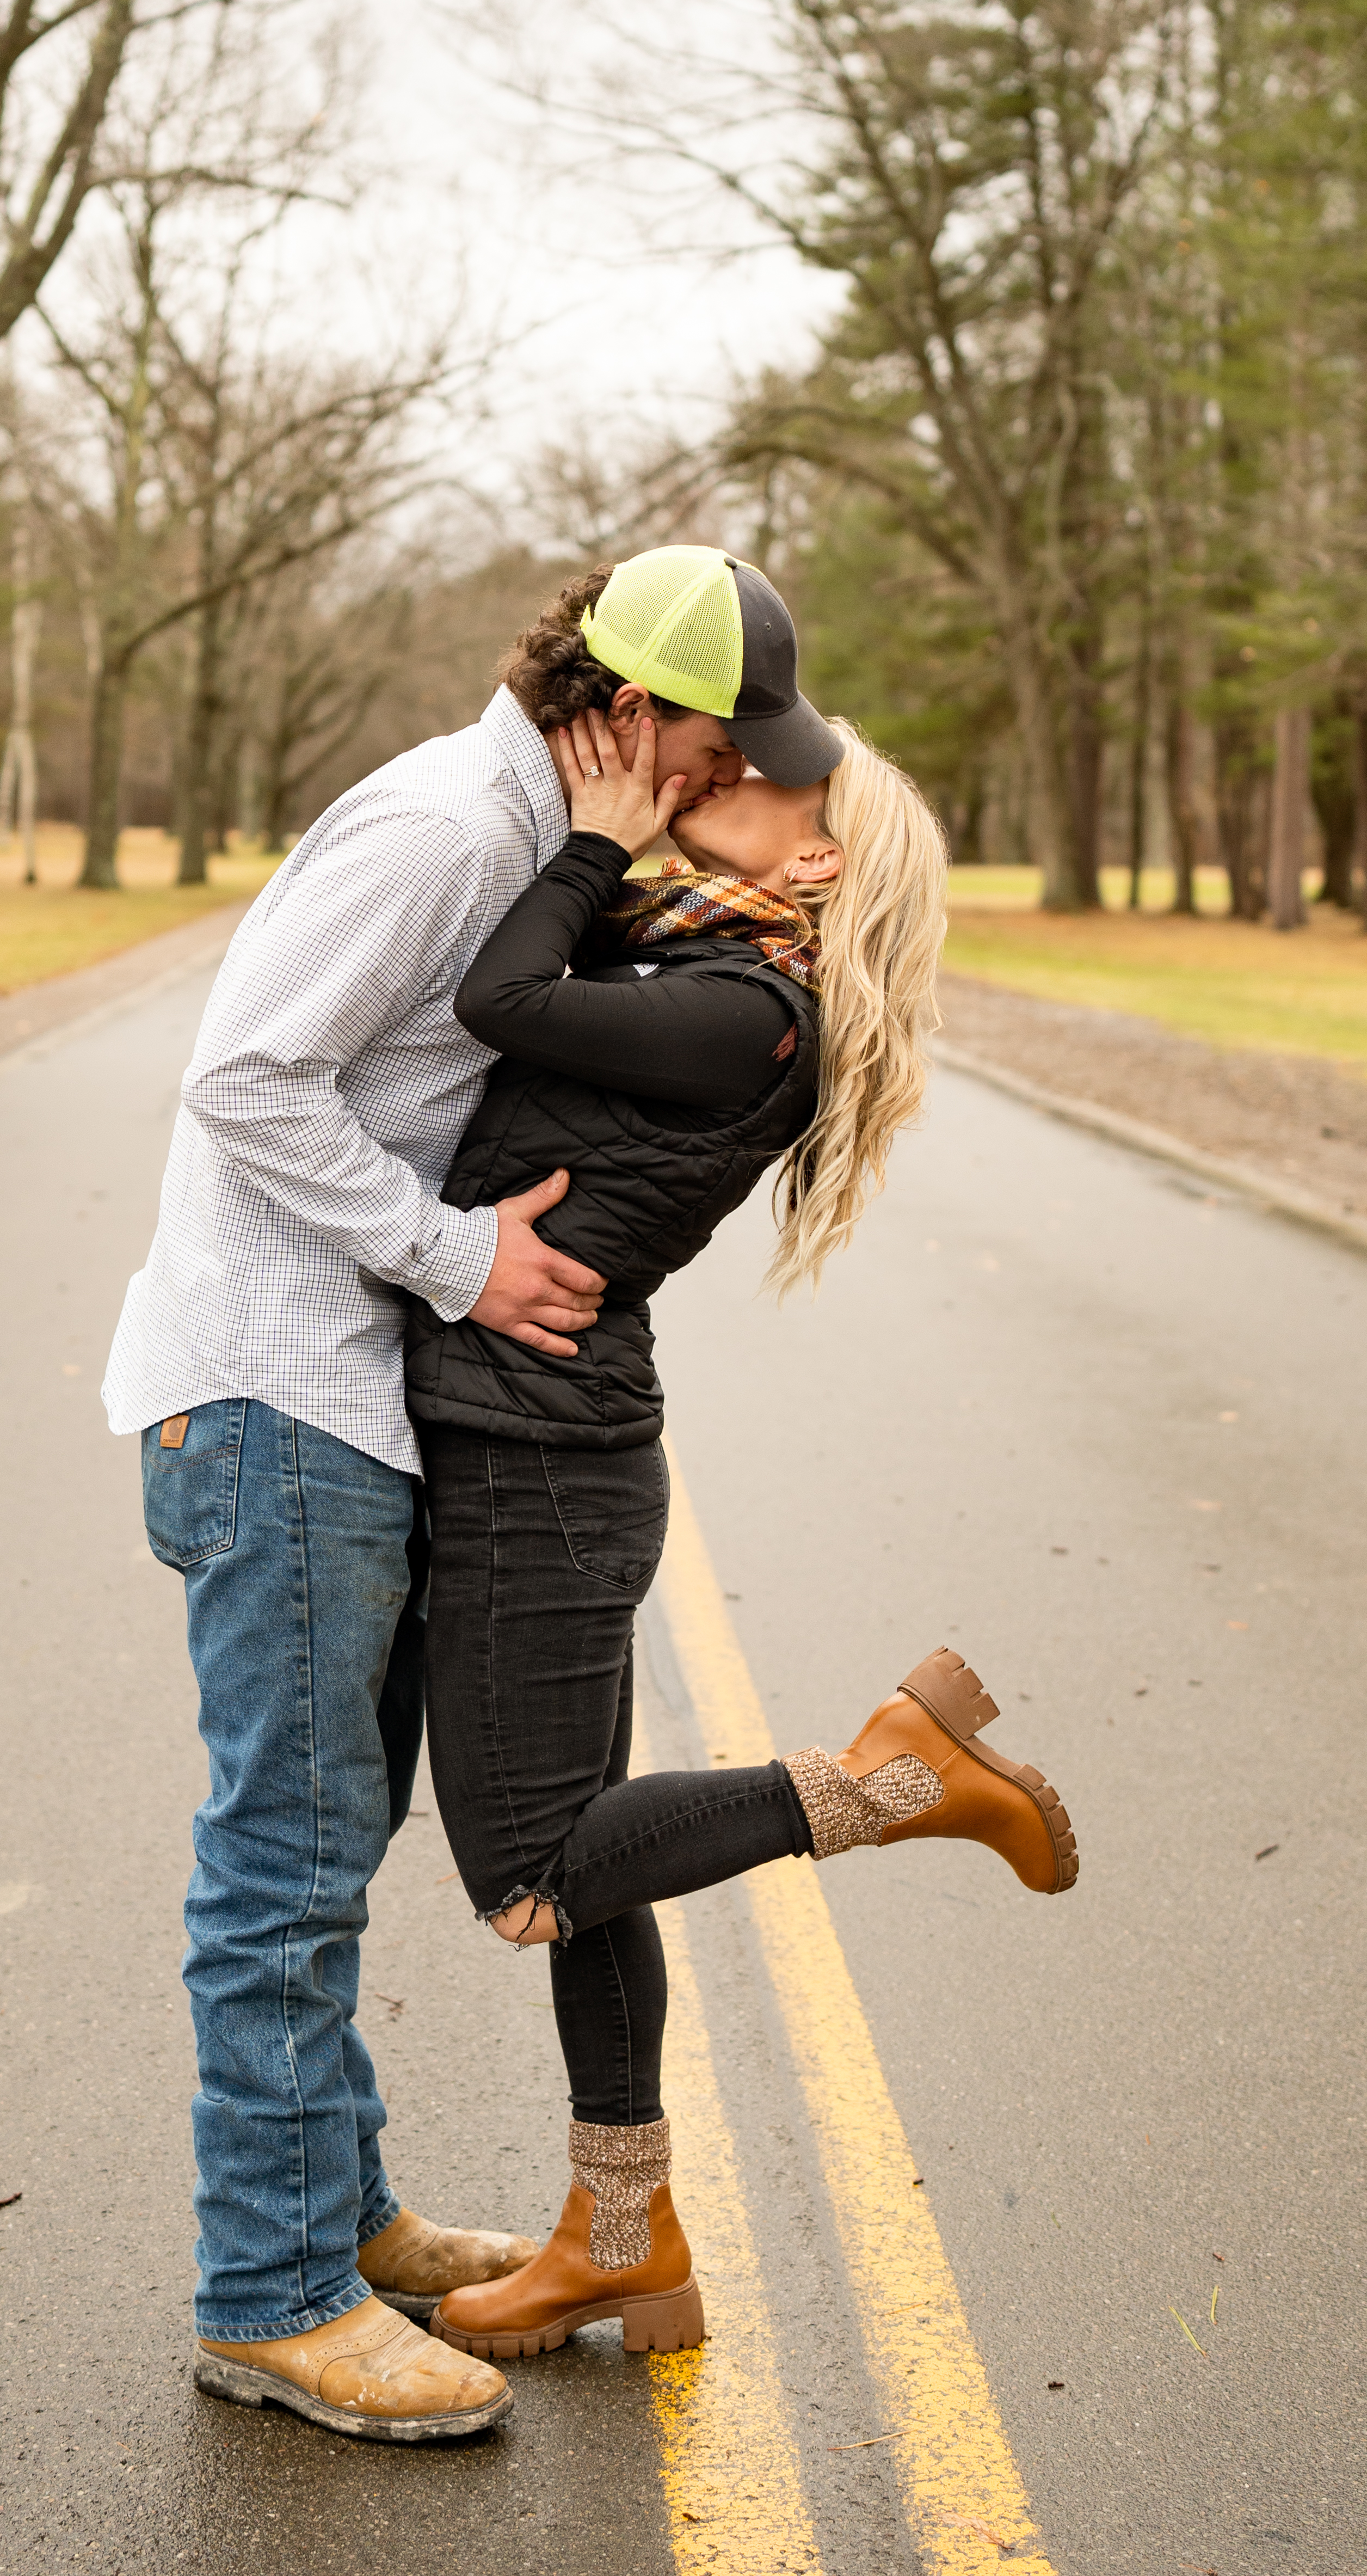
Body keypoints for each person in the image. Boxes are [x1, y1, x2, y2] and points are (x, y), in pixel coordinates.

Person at [102, 545, 845, 2443]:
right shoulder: (452, 829)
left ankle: (331, 2224)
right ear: (631, 712)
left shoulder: (534, 844)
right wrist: (454, 1260)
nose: (721, 776)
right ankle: (269, 2295)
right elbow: (247, 1077)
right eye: (716, 742)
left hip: (342, 1396)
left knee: (330, 1841)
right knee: (284, 1857)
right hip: (279, 1393)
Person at [400, 660, 1081, 2367]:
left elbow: (500, 999)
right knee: (601, 1869)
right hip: (539, 1440)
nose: (725, 775)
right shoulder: (710, 963)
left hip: (535, 1461)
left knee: (540, 1878)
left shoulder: (747, 1012)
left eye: (764, 779)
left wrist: (593, 837)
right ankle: (621, 2242)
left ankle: (908, 1783)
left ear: (822, 863)